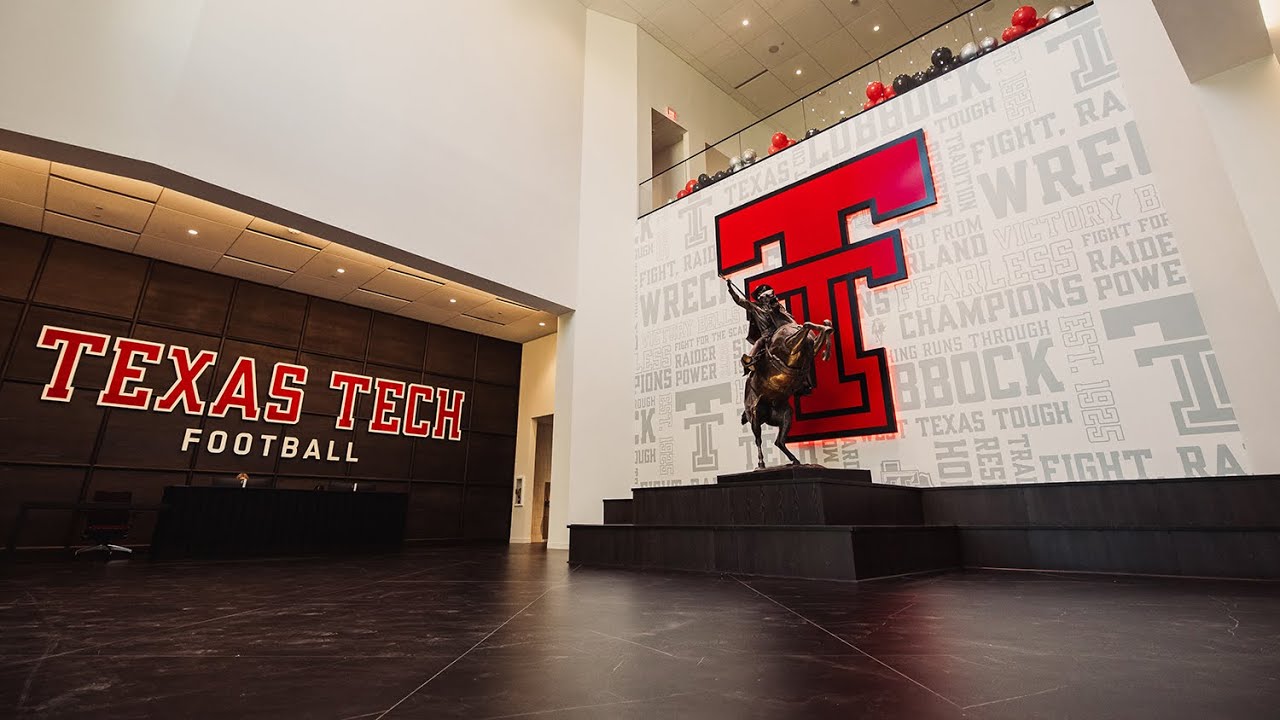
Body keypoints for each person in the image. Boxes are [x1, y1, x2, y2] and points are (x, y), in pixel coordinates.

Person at [724, 277, 795, 376]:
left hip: (780, 331)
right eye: (762, 296)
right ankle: (750, 360)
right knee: (759, 343)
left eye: (767, 295)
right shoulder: (754, 307)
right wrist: (731, 288)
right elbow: (739, 300)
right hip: (767, 335)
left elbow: (787, 317)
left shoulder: (776, 305)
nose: (765, 298)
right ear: (759, 298)